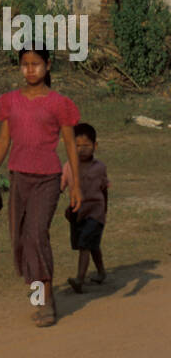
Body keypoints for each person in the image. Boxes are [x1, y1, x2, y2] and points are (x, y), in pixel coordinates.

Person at [0, 48, 82, 327]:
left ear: (48, 65)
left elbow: (71, 144)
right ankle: (39, 292)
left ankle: (47, 301)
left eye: (36, 64)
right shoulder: (9, 102)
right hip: (19, 178)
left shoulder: (59, 103)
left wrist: (76, 186)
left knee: (37, 235)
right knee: (21, 239)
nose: (30, 70)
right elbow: (4, 141)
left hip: (48, 178)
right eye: (25, 65)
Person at [61, 122, 108, 292]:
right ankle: (101, 272)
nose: (81, 149)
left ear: (95, 146)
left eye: (86, 145)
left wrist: (105, 212)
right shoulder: (67, 167)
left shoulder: (100, 167)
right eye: (77, 145)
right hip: (77, 214)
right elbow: (59, 188)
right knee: (91, 244)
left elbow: (104, 190)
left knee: (85, 245)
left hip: (95, 213)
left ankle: (79, 279)